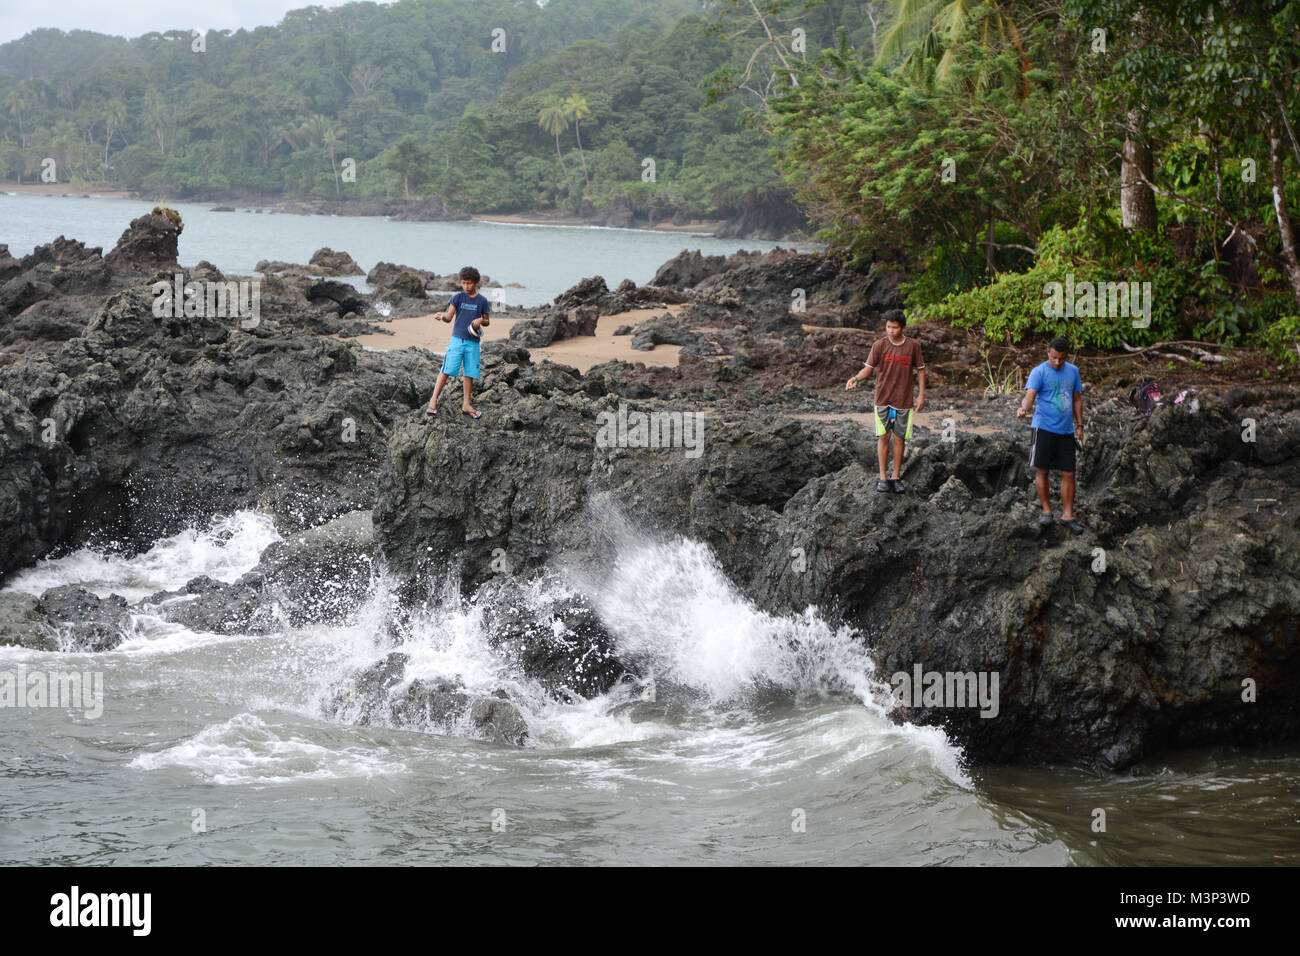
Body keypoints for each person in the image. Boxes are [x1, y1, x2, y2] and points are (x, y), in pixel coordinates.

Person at [846, 309, 926, 492]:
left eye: (894, 327)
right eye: (888, 327)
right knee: (883, 436)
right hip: (882, 398)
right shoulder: (879, 345)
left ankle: (896, 477)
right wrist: (856, 379)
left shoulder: (913, 346)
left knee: (899, 438)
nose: (890, 331)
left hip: (904, 400)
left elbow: (921, 370)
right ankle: (883, 478)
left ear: (903, 328)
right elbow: (868, 368)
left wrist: (921, 395)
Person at [1017, 336, 1084, 532]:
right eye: (1053, 357)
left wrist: (1080, 425)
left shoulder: (1073, 371)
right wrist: (1024, 408)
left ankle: (1067, 516)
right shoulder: (1039, 372)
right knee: (1042, 470)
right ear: (1048, 353)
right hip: (1043, 428)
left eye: (1061, 358)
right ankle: (1047, 511)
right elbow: (1030, 396)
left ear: (1066, 356)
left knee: (1069, 473)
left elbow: (1077, 399)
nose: (1057, 362)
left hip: (1066, 430)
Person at [427, 266, 491, 419]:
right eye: (463, 283)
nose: (466, 286)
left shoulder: (482, 301)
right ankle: (433, 400)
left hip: (473, 342)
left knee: (470, 373)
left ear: (476, 283)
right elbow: (449, 317)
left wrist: (480, 320)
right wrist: (441, 317)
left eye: (469, 283)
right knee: (446, 369)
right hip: (457, 340)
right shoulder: (457, 297)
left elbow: (487, 321)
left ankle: (466, 404)